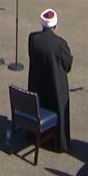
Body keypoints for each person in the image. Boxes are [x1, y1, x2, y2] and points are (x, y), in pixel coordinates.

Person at [28, 9, 74, 152]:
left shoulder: (33, 38)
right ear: (55, 25)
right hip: (55, 84)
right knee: (59, 107)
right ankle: (60, 142)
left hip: (37, 81)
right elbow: (67, 65)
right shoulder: (60, 44)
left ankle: (35, 133)